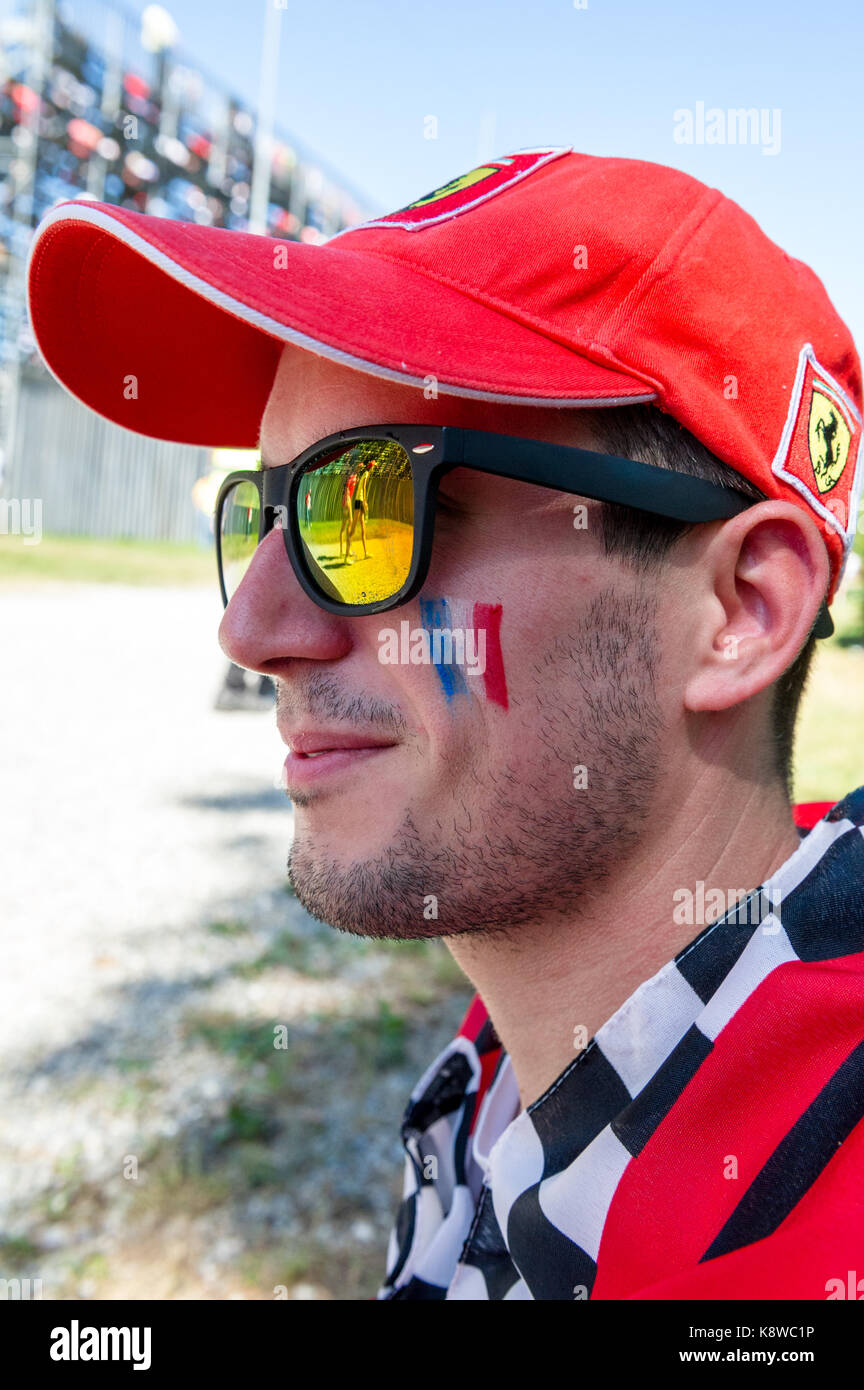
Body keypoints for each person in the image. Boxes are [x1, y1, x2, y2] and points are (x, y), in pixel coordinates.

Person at [26, 148, 864, 1301]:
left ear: (740, 610)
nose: (254, 626)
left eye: (369, 502)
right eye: (266, 512)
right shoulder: (536, 1056)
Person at [344, 457, 376, 561]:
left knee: (363, 528)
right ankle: (346, 555)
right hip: (359, 501)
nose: (374, 469)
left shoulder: (364, 474)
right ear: (371, 467)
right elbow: (363, 487)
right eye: (374, 467)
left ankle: (366, 552)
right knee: (353, 529)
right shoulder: (366, 474)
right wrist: (365, 501)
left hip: (360, 501)